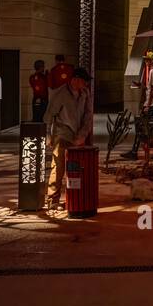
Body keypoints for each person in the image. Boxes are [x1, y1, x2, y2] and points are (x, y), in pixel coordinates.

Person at [44, 69, 94, 212]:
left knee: (76, 168)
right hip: (62, 133)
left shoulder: (85, 93)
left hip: (78, 135)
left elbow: (88, 115)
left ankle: (75, 198)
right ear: (75, 79)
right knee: (58, 166)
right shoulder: (61, 93)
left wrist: (82, 135)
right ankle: (52, 199)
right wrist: (48, 135)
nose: (85, 84)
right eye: (84, 81)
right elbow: (49, 116)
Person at [123, 51, 153, 160]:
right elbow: (151, 87)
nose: (145, 61)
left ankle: (134, 152)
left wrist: (147, 105)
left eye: (147, 59)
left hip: (152, 104)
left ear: (152, 60)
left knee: (141, 126)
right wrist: (142, 85)